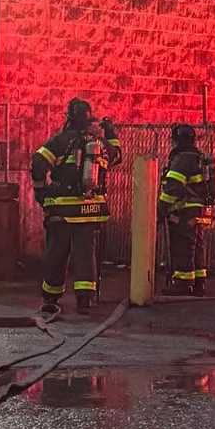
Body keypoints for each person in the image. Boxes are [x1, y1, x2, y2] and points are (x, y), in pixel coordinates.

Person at [31, 99, 123, 315]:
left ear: (69, 118)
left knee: (57, 253)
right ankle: (85, 300)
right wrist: (110, 132)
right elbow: (117, 155)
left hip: (63, 209)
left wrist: (41, 192)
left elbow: (37, 164)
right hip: (91, 209)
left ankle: (51, 298)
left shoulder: (61, 141)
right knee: (85, 253)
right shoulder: (99, 144)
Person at [158, 124, 215, 295]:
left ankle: (183, 284)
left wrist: (161, 208)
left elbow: (173, 186)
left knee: (183, 245)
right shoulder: (198, 157)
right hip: (201, 210)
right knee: (197, 245)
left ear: (178, 140)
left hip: (186, 210)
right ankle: (199, 282)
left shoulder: (183, 158)